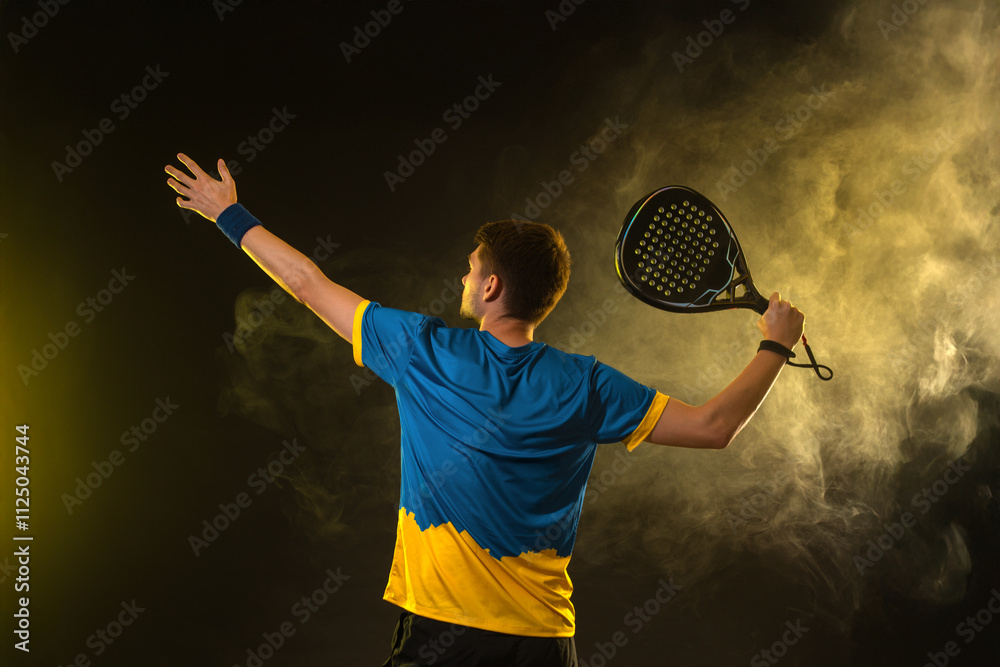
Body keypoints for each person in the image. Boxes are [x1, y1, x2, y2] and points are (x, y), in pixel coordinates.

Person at [164, 154, 804, 667]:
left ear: (492, 286)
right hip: (543, 645)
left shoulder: (420, 350)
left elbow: (306, 284)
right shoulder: (587, 385)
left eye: (470, 271)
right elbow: (715, 428)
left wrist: (228, 213)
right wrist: (774, 342)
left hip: (441, 639)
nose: (463, 279)